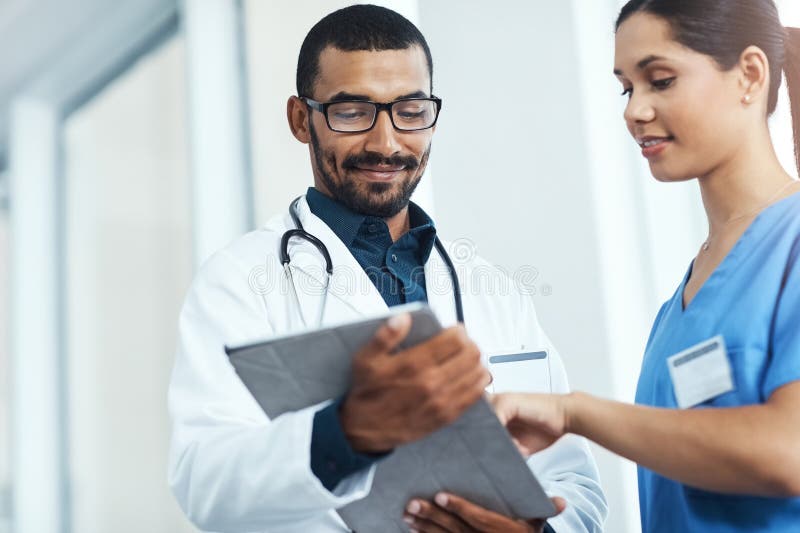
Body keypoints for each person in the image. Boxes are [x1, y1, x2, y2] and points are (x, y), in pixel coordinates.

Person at [167, 5, 606, 533]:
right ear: (301, 120)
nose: (386, 142)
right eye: (352, 112)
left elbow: (575, 485)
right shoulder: (239, 282)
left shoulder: (495, 291)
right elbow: (206, 484)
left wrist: (536, 531)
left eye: (411, 111)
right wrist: (348, 432)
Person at [436, 1, 800, 532]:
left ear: (749, 74)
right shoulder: (677, 305)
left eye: (660, 80)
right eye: (627, 88)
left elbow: (787, 450)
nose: (634, 111)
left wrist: (573, 413)